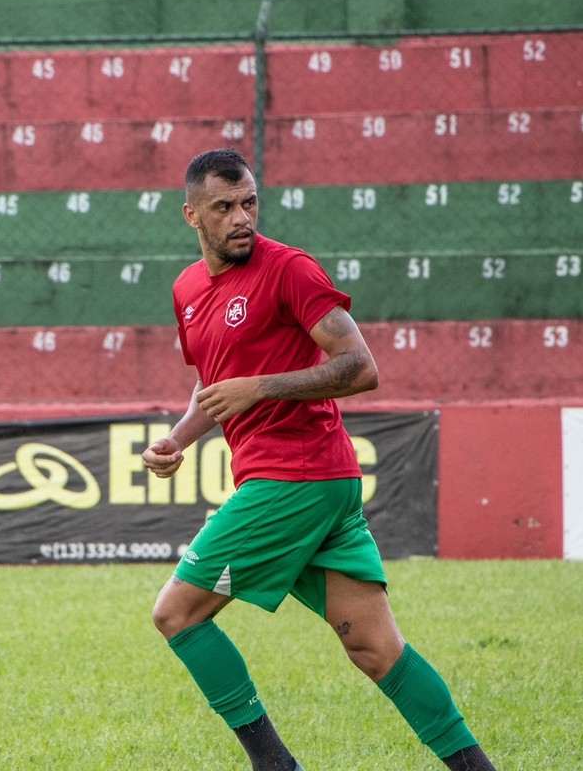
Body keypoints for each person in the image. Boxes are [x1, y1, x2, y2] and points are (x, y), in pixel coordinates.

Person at [142, 148, 498, 771]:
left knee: (176, 615)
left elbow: (361, 367)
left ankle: (275, 765)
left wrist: (261, 388)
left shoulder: (289, 269)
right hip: (320, 482)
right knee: (376, 650)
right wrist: (179, 438)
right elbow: (215, 383)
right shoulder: (187, 290)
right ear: (191, 215)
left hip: (296, 476)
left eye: (249, 202)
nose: (241, 218)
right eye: (223, 207)